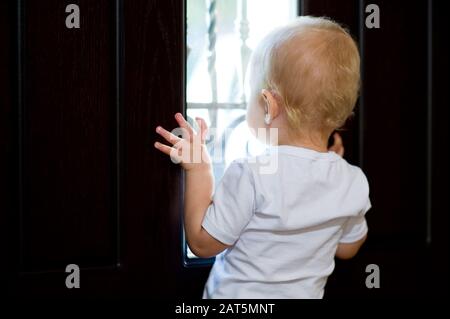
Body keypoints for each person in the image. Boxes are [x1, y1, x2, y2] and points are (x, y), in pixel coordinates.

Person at [154, 16, 371, 299]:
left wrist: (200, 168)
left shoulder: (252, 174)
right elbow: (347, 248)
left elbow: (202, 244)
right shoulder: (352, 181)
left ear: (268, 105)